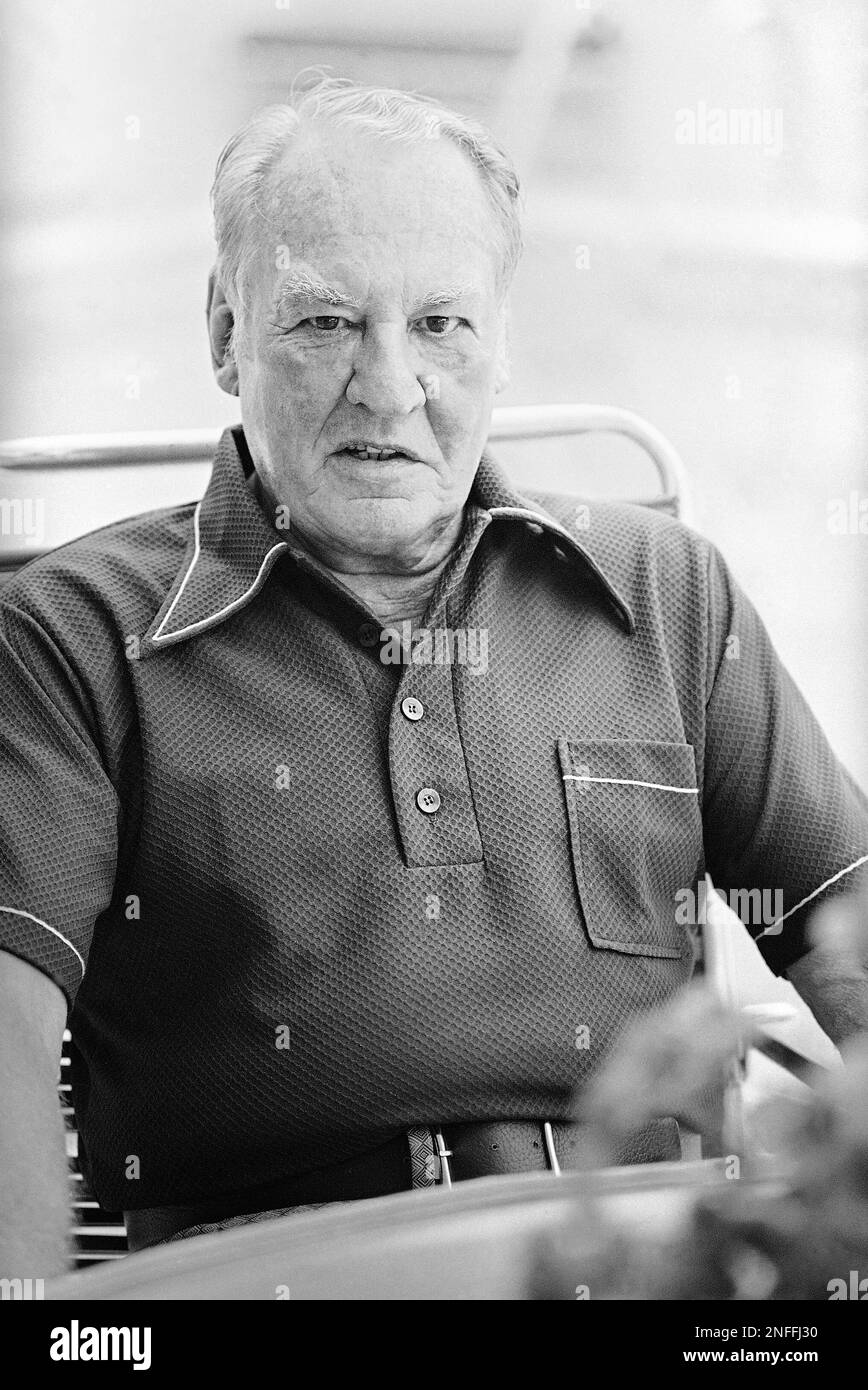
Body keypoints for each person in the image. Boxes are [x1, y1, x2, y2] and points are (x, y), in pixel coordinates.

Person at [1, 77, 866, 1275]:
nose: (390, 385)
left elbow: (843, 932)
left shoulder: (661, 590)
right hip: (280, 1275)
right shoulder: (71, 637)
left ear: (499, 342)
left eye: (441, 324)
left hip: (646, 1263)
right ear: (221, 332)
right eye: (322, 322)